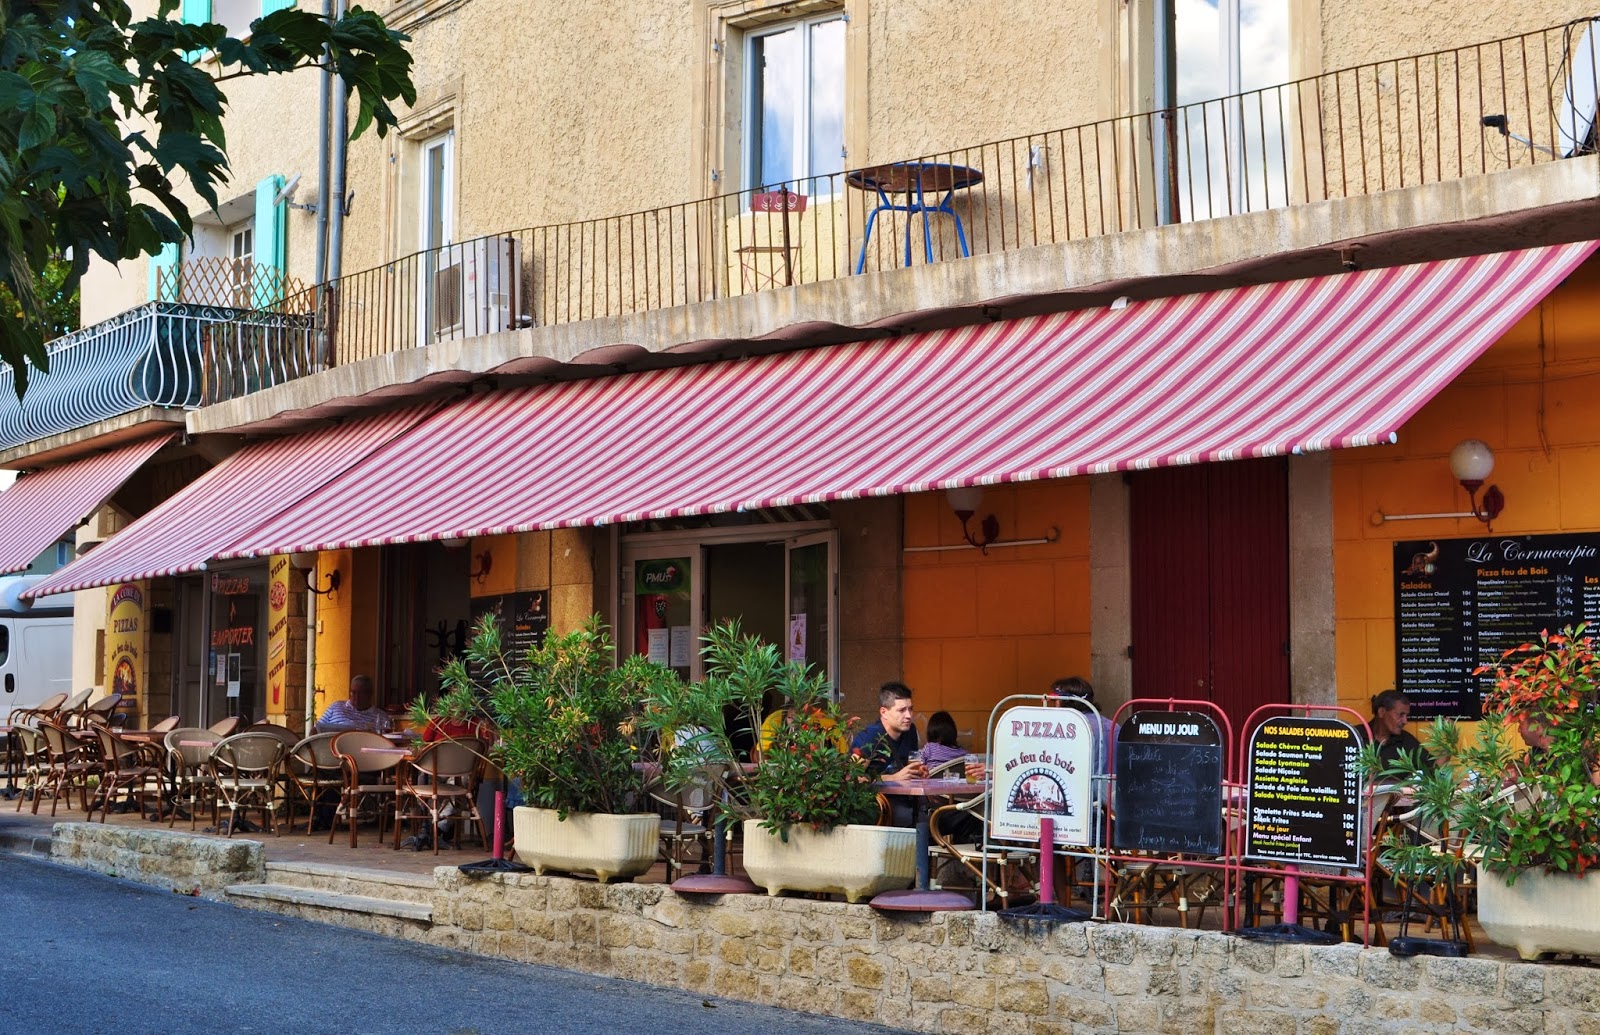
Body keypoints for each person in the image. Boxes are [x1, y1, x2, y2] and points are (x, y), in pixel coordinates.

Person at [851, 682, 925, 826]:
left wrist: (918, 772)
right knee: (918, 822)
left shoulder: (910, 731)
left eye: (911, 709)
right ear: (884, 712)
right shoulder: (870, 736)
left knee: (951, 817)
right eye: (902, 710)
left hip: (908, 801)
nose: (909, 715)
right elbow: (852, 778)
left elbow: (906, 769)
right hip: (878, 808)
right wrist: (892, 778)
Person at [1368, 690, 1427, 771]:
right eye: (1401, 714)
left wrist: (1447, 743)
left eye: (1406, 715)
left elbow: (1433, 770)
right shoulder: (1355, 736)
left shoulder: (1406, 741)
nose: (1405, 721)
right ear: (1381, 712)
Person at [316, 675, 393, 734]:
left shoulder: (381, 716)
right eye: (353, 692)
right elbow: (315, 729)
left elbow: (387, 740)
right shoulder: (336, 706)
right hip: (329, 751)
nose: (356, 697)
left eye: (361, 693)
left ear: (370, 694)